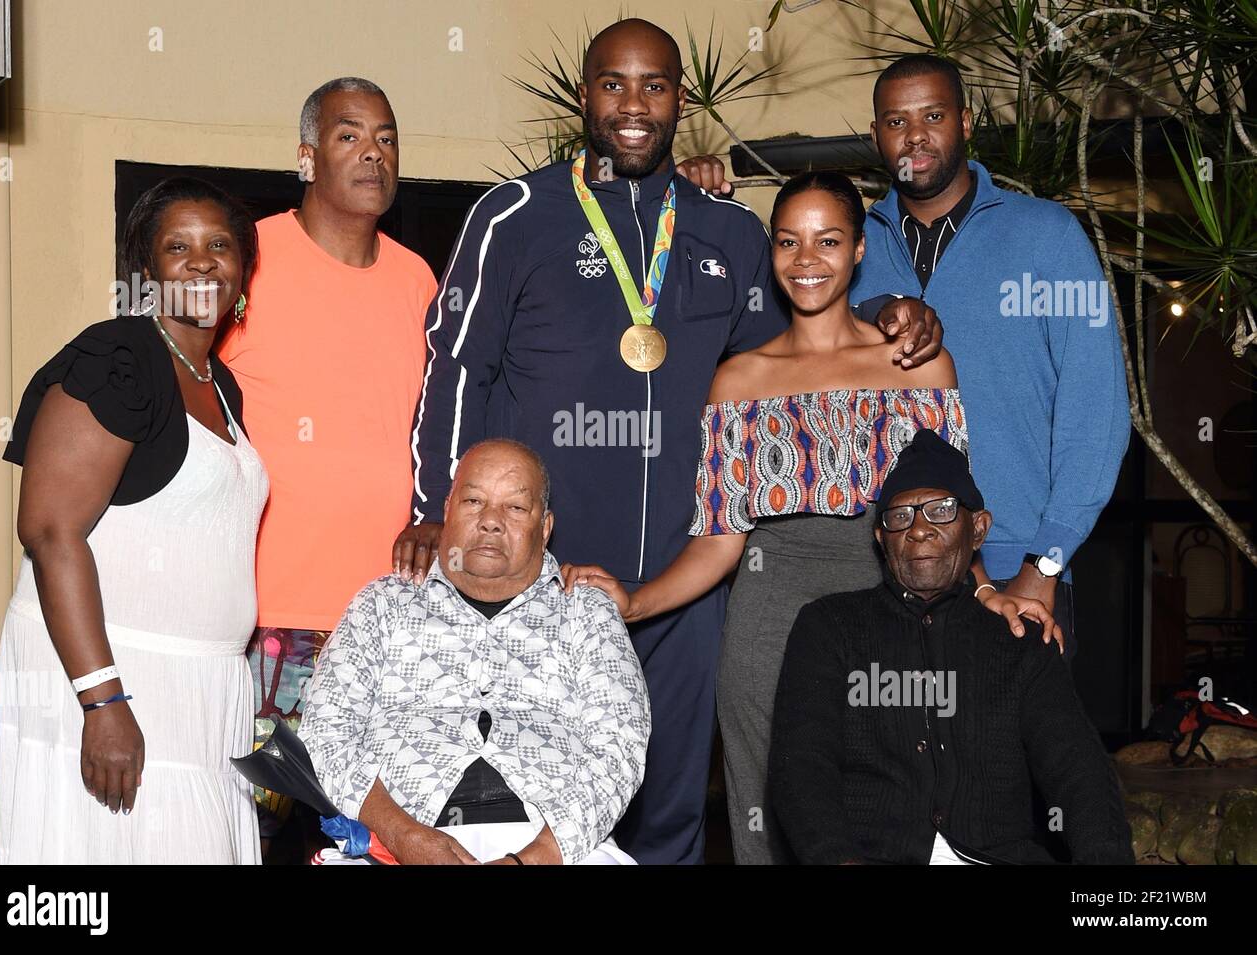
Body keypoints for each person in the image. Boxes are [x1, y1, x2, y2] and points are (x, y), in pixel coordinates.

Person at [397, 17, 942, 865]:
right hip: (546, 586)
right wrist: (435, 508)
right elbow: (455, 365)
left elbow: (798, 346)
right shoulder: (513, 217)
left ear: (681, 100)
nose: (634, 104)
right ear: (584, 96)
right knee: (531, 809)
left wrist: (886, 318)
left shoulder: (724, 231)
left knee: (670, 815)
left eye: (654, 85)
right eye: (614, 83)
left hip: (685, 586)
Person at [563, 172, 1059, 864]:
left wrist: (984, 591)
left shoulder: (918, 365)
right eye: (789, 241)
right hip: (768, 633)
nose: (807, 259)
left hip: (894, 624)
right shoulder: (737, 379)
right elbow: (720, 540)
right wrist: (634, 600)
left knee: (895, 823)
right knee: (772, 834)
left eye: (828, 240)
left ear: (859, 250)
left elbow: (943, 520)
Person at [684, 55, 1131, 660]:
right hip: (887, 581)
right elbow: (787, 349)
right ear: (875, 136)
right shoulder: (847, 245)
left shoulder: (1047, 237)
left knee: (1015, 755)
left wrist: (1044, 562)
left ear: (967, 123)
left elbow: (1097, 418)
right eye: (896, 120)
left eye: (934, 115)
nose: (914, 135)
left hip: (1017, 570)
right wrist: (690, 197)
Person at [0, 178, 267, 864]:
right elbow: (49, 530)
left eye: (220, 246)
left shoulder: (220, 384)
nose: (202, 262)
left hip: (203, 694)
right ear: (147, 273)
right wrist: (101, 701)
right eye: (178, 247)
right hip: (120, 677)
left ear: (242, 272)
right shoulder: (119, 358)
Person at [216, 77, 437, 846]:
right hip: (267, 623)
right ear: (307, 157)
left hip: (385, 623)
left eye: (387, 137)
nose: (373, 153)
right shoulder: (247, 258)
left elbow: (431, 430)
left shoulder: (418, 280)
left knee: (367, 844)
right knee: (252, 836)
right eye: (349, 135)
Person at [769, 429, 1134, 864]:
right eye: (900, 517)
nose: (919, 530)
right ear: (882, 539)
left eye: (941, 511)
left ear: (977, 529)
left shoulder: (1016, 641)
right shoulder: (830, 628)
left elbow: (1079, 770)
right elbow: (802, 768)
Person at [300, 439, 649, 865]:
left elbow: (620, 749)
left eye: (516, 508)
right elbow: (326, 734)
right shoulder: (383, 603)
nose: (491, 522)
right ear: (446, 510)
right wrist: (404, 836)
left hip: (557, 846)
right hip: (398, 837)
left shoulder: (586, 611)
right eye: (473, 500)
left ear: (546, 527)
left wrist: (531, 860)